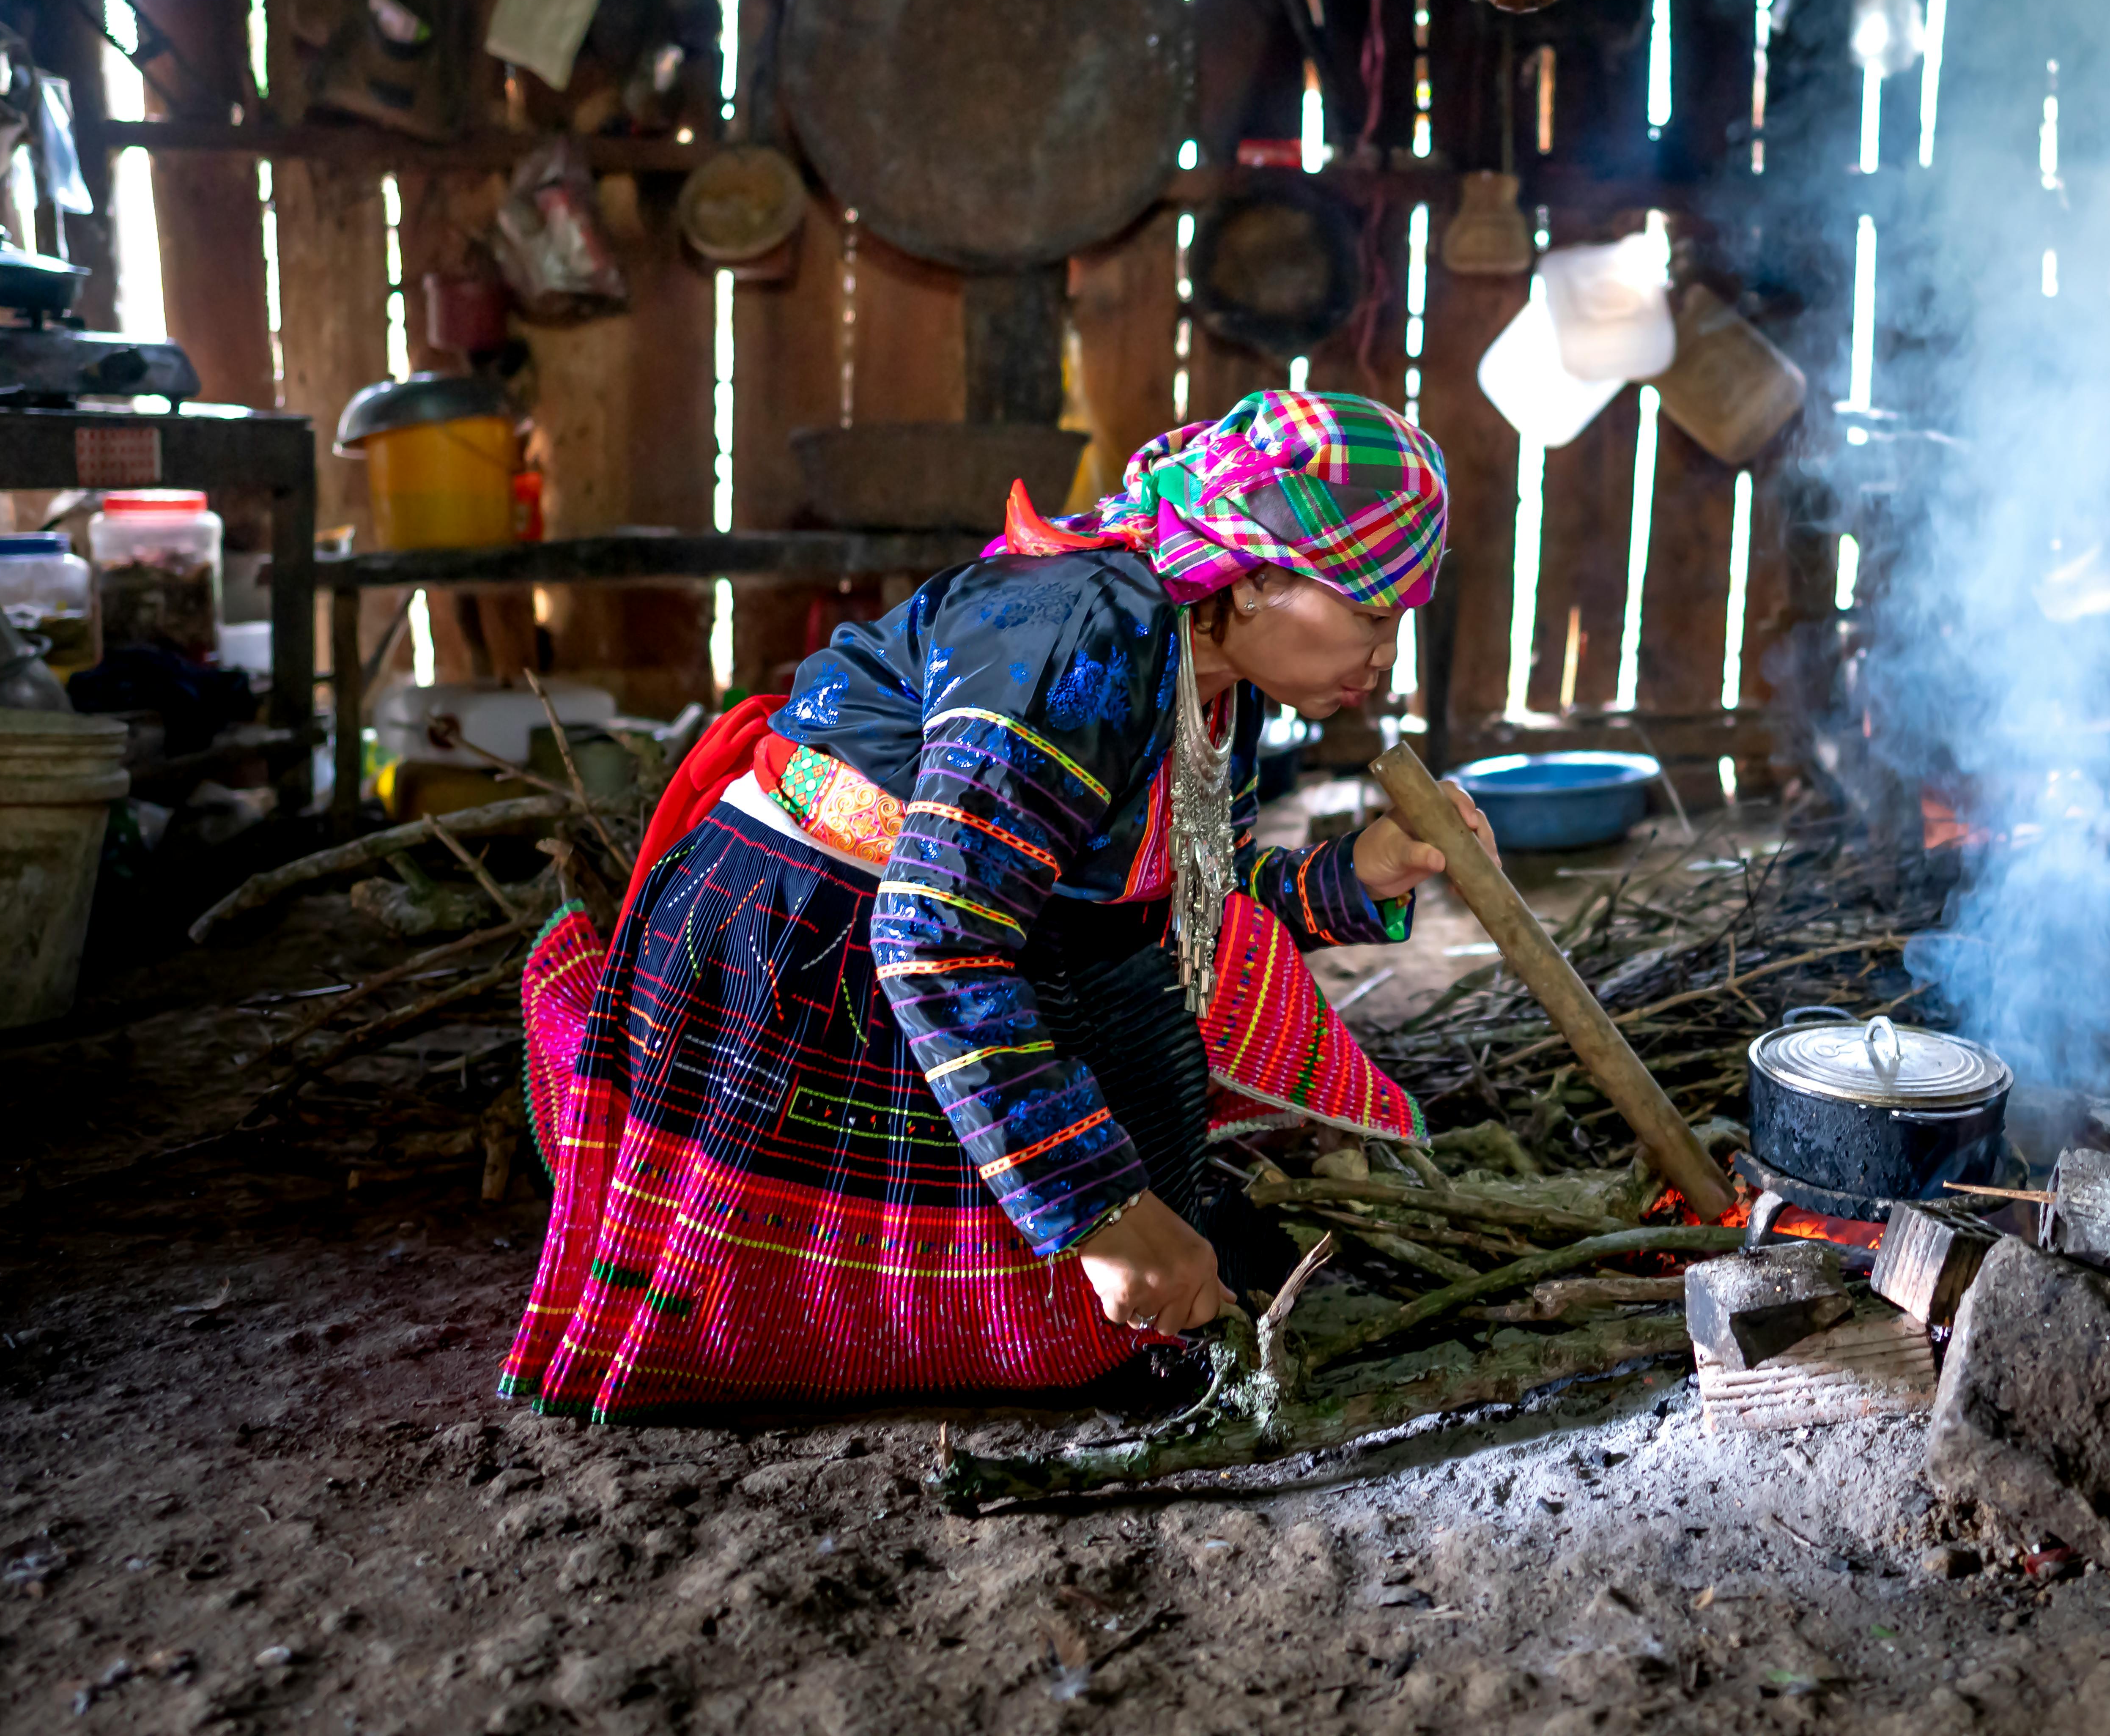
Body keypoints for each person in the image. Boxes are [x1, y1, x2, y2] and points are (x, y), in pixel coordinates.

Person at [500, 391, 1495, 1420]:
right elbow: (934, 938)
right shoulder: (1081, 637)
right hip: (814, 948)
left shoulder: (1215, 680)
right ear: (1252, 581)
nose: (1384, 657)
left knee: (1182, 1200)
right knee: (1084, 1311)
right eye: (1370, 615)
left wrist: (1358, 874)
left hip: (1011, 934)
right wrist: (1100, 1213)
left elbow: (1190, 897)